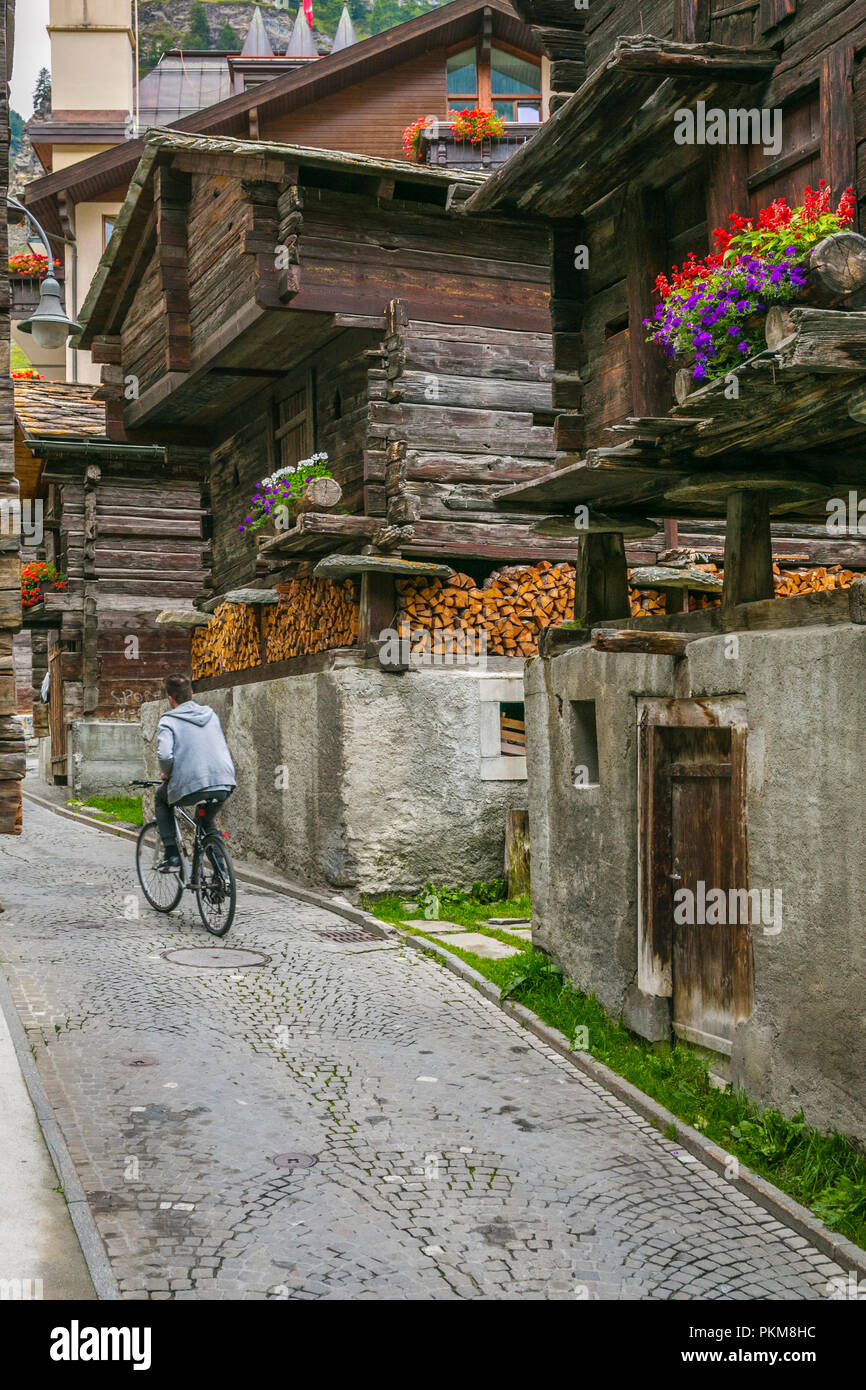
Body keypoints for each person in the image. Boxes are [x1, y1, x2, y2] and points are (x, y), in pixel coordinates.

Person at [155, 674, 236, 872]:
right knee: (206, 822)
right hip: (224, 781)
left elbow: (165, 755)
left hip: (193, 783)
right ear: (192, 693)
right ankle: (221, 877)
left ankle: (172, 854)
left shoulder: (168, 720)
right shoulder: (211, 714)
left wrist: (167, 773)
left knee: (160, 798)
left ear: (170, 698)